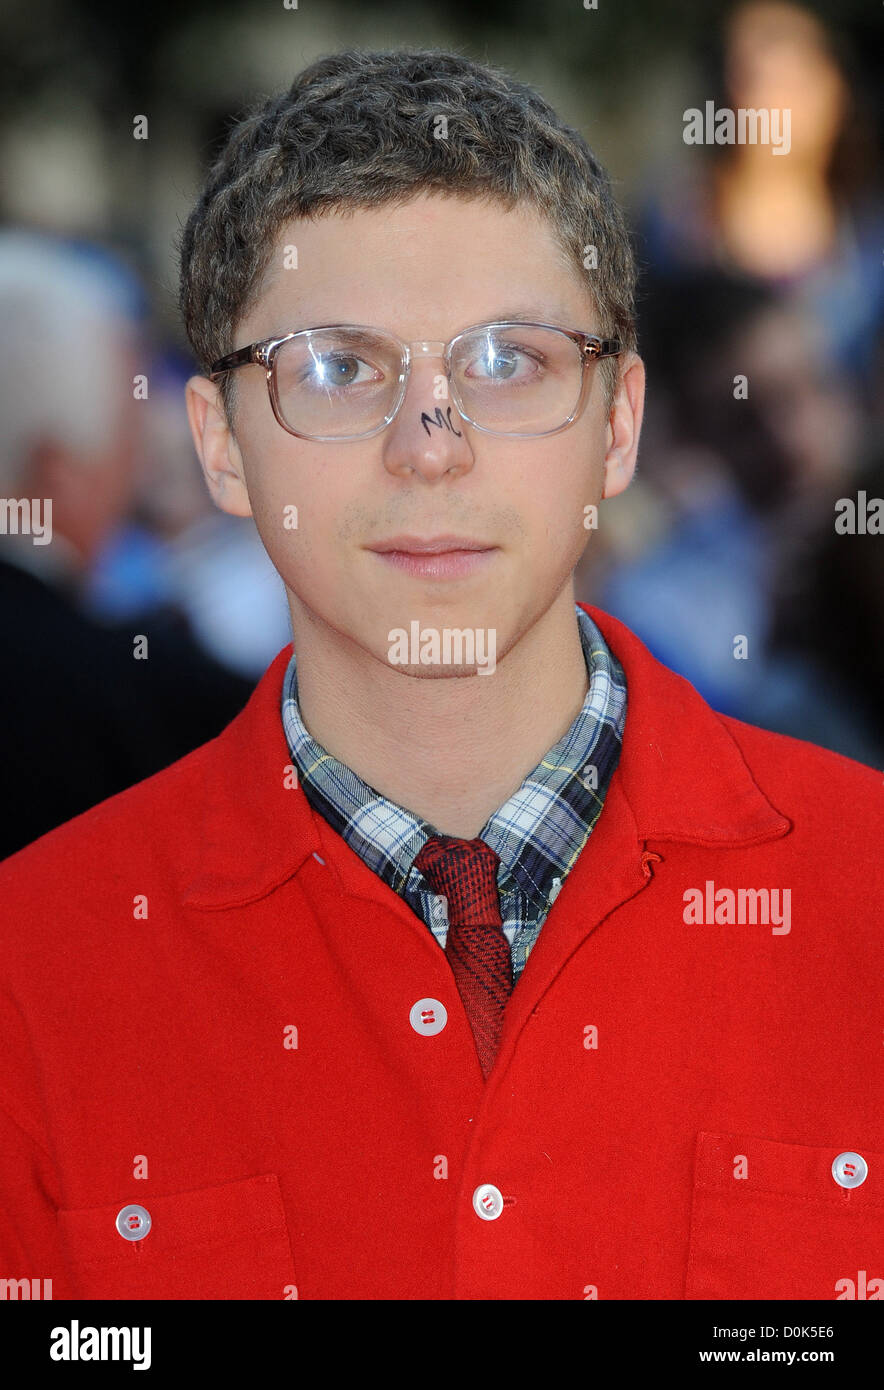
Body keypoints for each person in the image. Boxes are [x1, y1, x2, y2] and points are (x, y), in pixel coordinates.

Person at [0, 48, 880, 1302]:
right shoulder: (31, 970)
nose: (429, 446)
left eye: (508, 361)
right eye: (335, 368)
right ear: (221, 446)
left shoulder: (866, 903)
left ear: (617, 424)